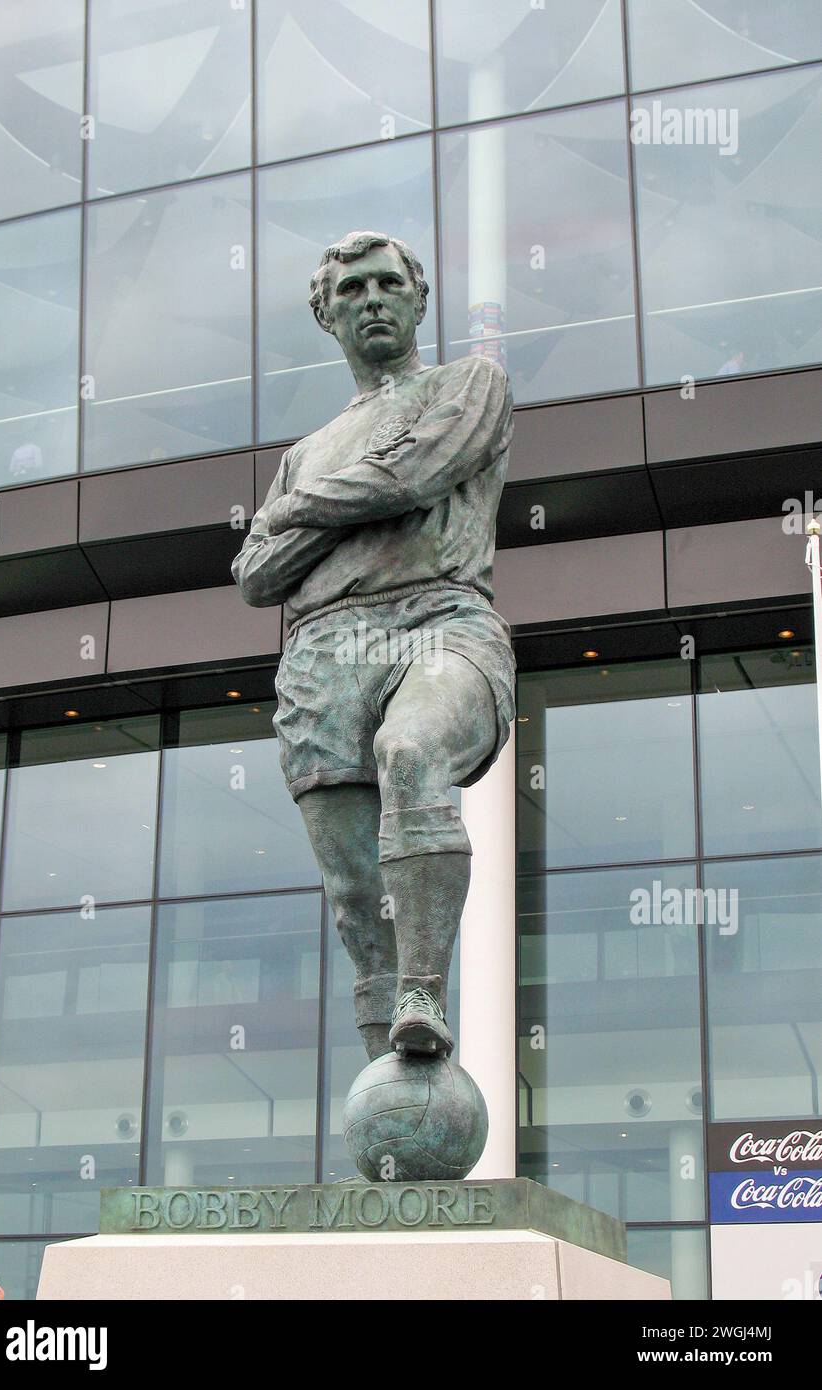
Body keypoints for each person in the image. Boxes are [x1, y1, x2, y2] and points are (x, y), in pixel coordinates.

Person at [233, 231, 515, 1062]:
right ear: (328, 315)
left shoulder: (469, 384)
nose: (372, 299)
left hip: (439, 619)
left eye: (389, 283)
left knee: (411, 750)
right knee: (355, 889)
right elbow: (255, 575)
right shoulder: (303, 453)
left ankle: (423, 992)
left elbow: (416, 476)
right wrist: (337, 506)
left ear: (419, 298)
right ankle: (385, 1078)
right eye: (350, 290)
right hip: (320, 657)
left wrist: (298, 516)